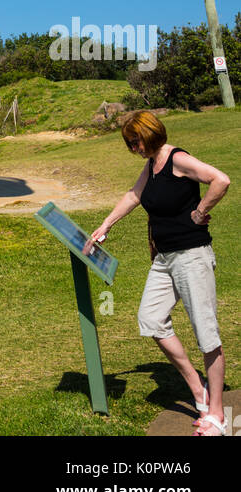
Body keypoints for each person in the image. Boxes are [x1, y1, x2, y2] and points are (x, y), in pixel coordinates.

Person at [85, 110, 230, 436]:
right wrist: (105, 225)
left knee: (206, 335)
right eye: (130, 144)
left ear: (150, 134)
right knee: (151, 319)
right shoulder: (152, 165)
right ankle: (198, 389)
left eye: (135, 141)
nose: (134, 148)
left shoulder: (178, 159)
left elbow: (220, 179)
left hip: (192, 256)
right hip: (164, 259)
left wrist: (201, 211)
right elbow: (134, 195)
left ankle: (217, 415)